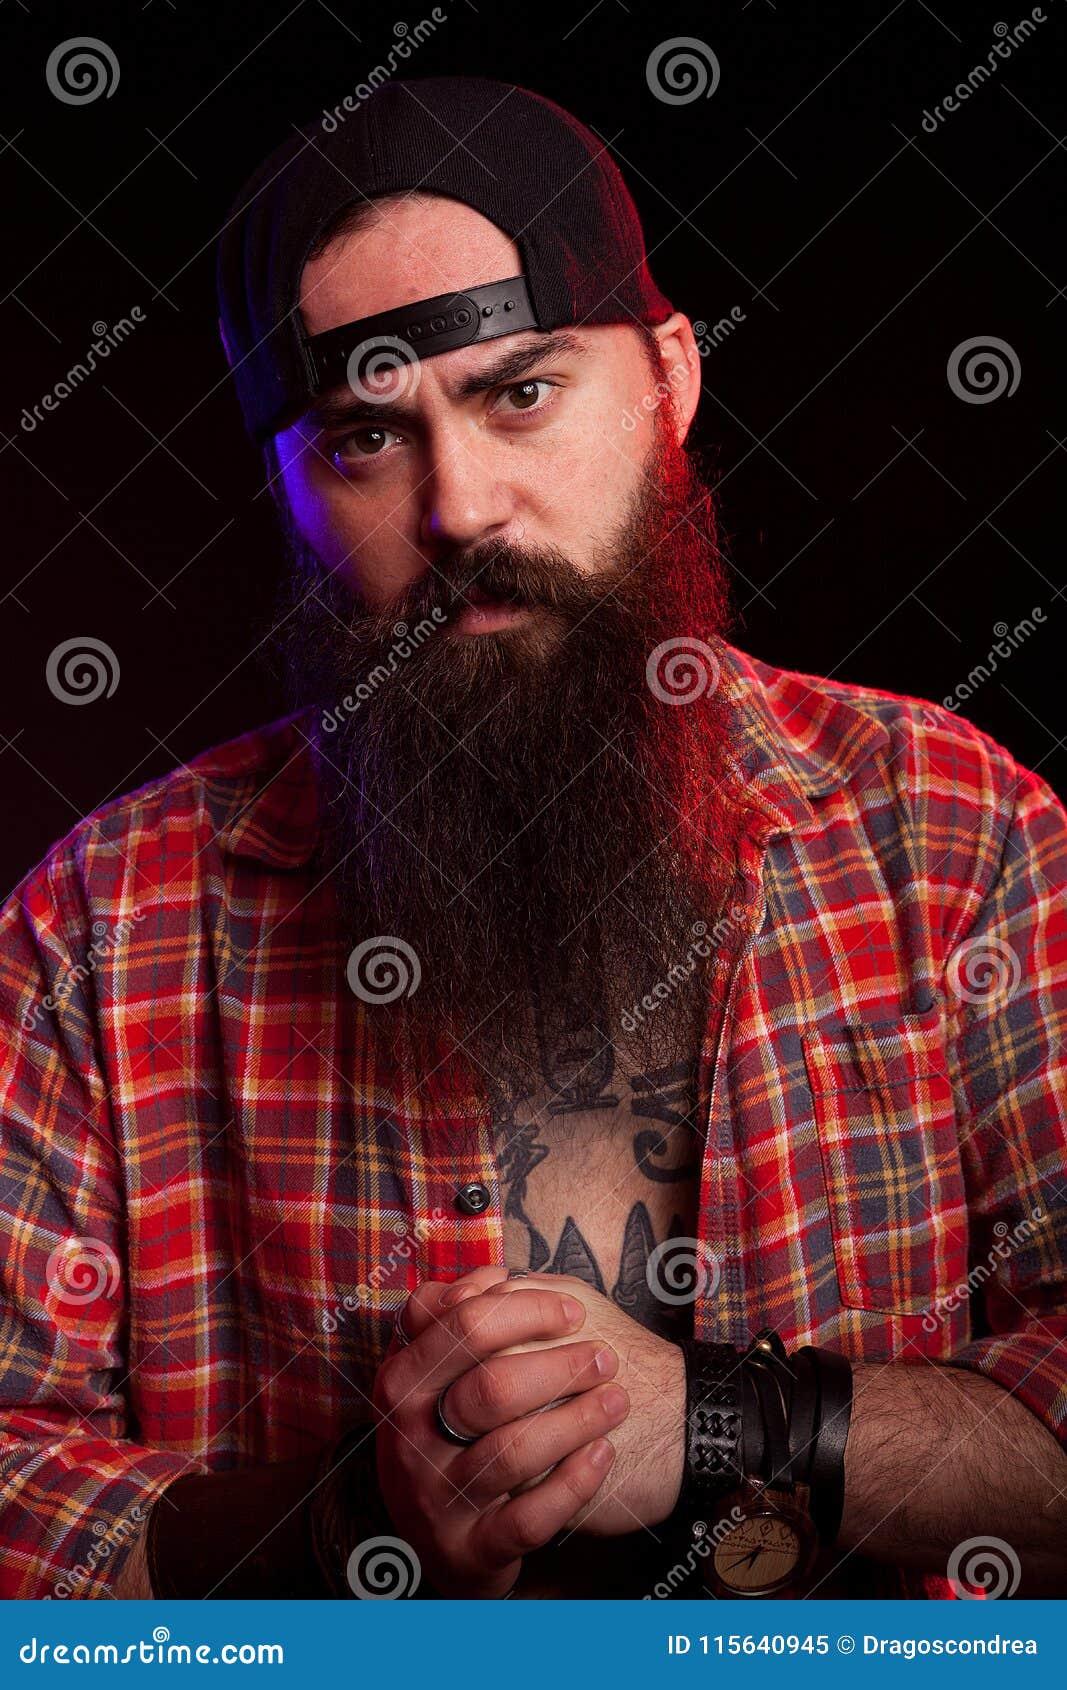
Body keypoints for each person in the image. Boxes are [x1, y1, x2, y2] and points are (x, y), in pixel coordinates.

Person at [0, 76, 1064, 1604]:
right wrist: (335, 1528)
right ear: (287, 486)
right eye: (366, 433)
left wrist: (718, 1418)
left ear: (671, 383)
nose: (462, 504)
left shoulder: (958, 832)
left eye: (520, 393)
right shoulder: (100, 936)